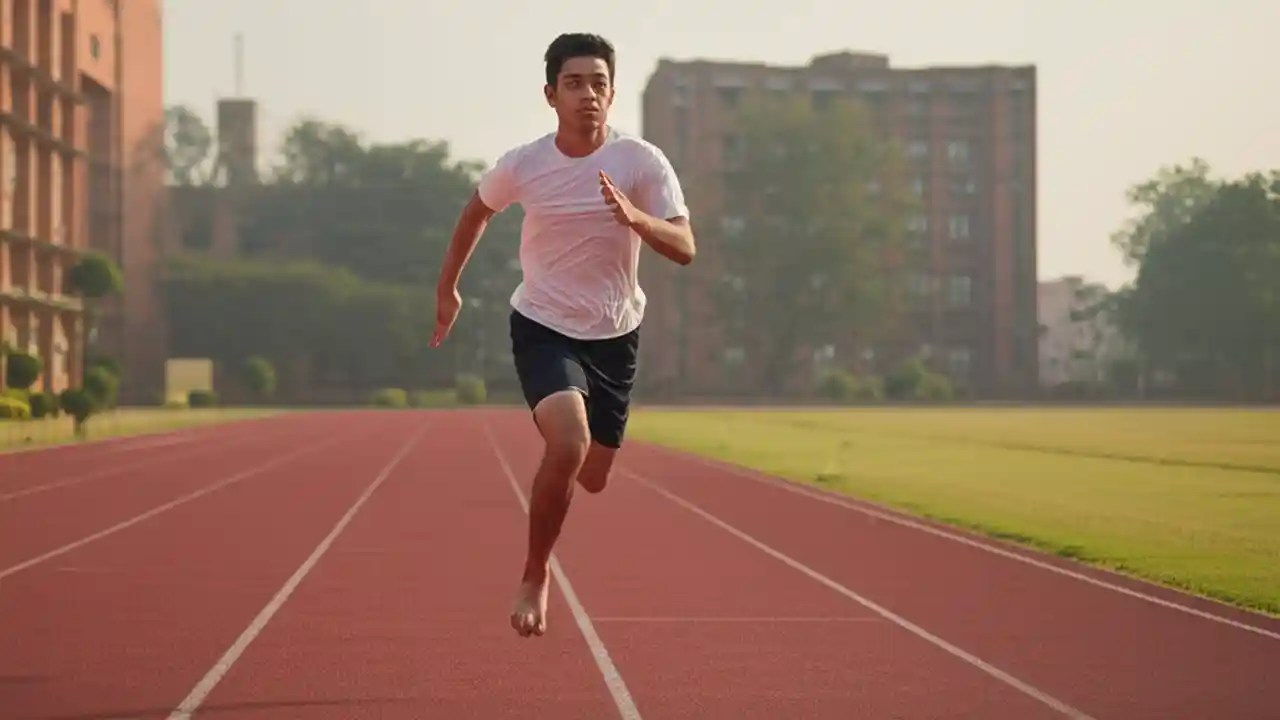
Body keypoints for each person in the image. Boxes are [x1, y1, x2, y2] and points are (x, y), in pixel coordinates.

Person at [430, 32, 696, 638]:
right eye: (574, 84)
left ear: (612, 92)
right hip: (544, 326)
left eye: (599, 83)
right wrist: (448, 289)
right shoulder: (525, 163)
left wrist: (637, 218)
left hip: (616, 333)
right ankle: (535, 574)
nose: (588, 95)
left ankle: (563, 479)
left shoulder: (642, 162)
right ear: (551, 95)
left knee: (594, 474)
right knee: (569, 443)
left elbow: (684, 247)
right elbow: (476, 212)